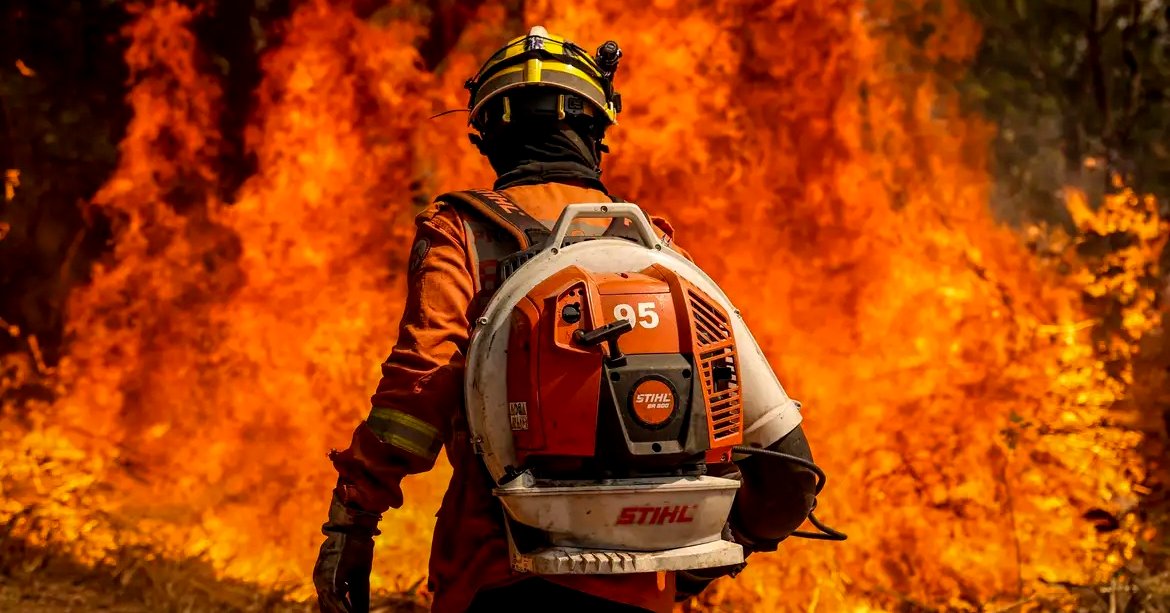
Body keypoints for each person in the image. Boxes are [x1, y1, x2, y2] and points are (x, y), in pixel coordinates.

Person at [313, 26, 819, 613]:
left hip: (495, 571)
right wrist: (707, 554)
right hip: (644, 590)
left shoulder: (462, 231)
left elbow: (418, 388)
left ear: (490, 138)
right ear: (597, 131)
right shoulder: (659, 258)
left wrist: (352, 522)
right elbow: (790, 470)